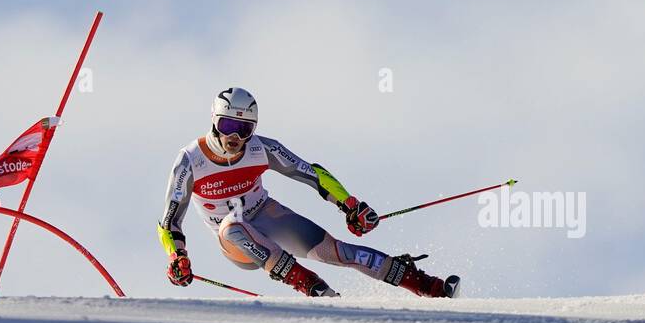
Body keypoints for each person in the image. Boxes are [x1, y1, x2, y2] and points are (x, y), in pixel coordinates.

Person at [157, 88, 460, 298]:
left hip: (267, 216)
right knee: (232, 225)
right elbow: (169, 222)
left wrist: (350, 205)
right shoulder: (190, 160)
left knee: (341, 252)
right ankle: (315, 289)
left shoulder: (262, 148)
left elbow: (312, 174)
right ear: (213, 120)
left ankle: (429, 287)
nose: (235, 137)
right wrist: (177, 257)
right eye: (228, 125)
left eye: (244, 128)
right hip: (236, 243)